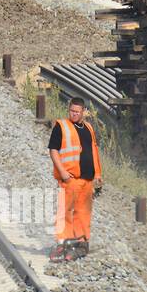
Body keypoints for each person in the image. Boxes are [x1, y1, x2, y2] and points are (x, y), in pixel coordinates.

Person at [48, 97, 102, 263]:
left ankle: (81, 241)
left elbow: (93, 151)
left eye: (77, 112)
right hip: (70, 178)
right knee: (65, 211)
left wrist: (98, 175)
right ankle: (62, 242)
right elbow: (53, 150)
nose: (74, 114)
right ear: (68, 109)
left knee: (83, 212)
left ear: (83, 112)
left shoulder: (89, 128)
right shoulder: (61, 127)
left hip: (87, 180)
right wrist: (63, 172)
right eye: (72, 111)